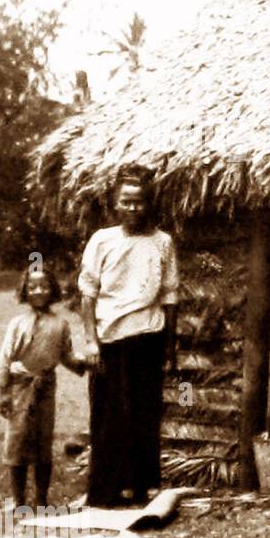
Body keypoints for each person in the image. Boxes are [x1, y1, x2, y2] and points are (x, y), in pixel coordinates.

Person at [78, 169, 179, 507]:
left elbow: (170, 295)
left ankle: (141, 486)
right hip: (110, 338)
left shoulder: (162, 242)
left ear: (149, 204)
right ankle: (106, 490)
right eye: (127, 201)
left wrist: (170, 344)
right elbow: (88, 294)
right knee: (109, 416)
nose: (134, 208)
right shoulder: (102, 240)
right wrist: (91, 341)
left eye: (140, 202)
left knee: (144, 413)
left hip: (148, 335)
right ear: (115, 204)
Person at [0, 266, 86, 508]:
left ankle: (41, 499)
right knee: (17, 441)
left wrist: (83, 363)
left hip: (45, 389)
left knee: (43, 441)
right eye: (32, 287)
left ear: (53, 289)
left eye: (44, 286)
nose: (38, 291)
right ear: (24, 291)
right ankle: (19, 499)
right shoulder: (17, 323)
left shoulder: (60, 324)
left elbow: (66, 355)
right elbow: (6, 358)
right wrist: (3, 394)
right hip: (19, 388)